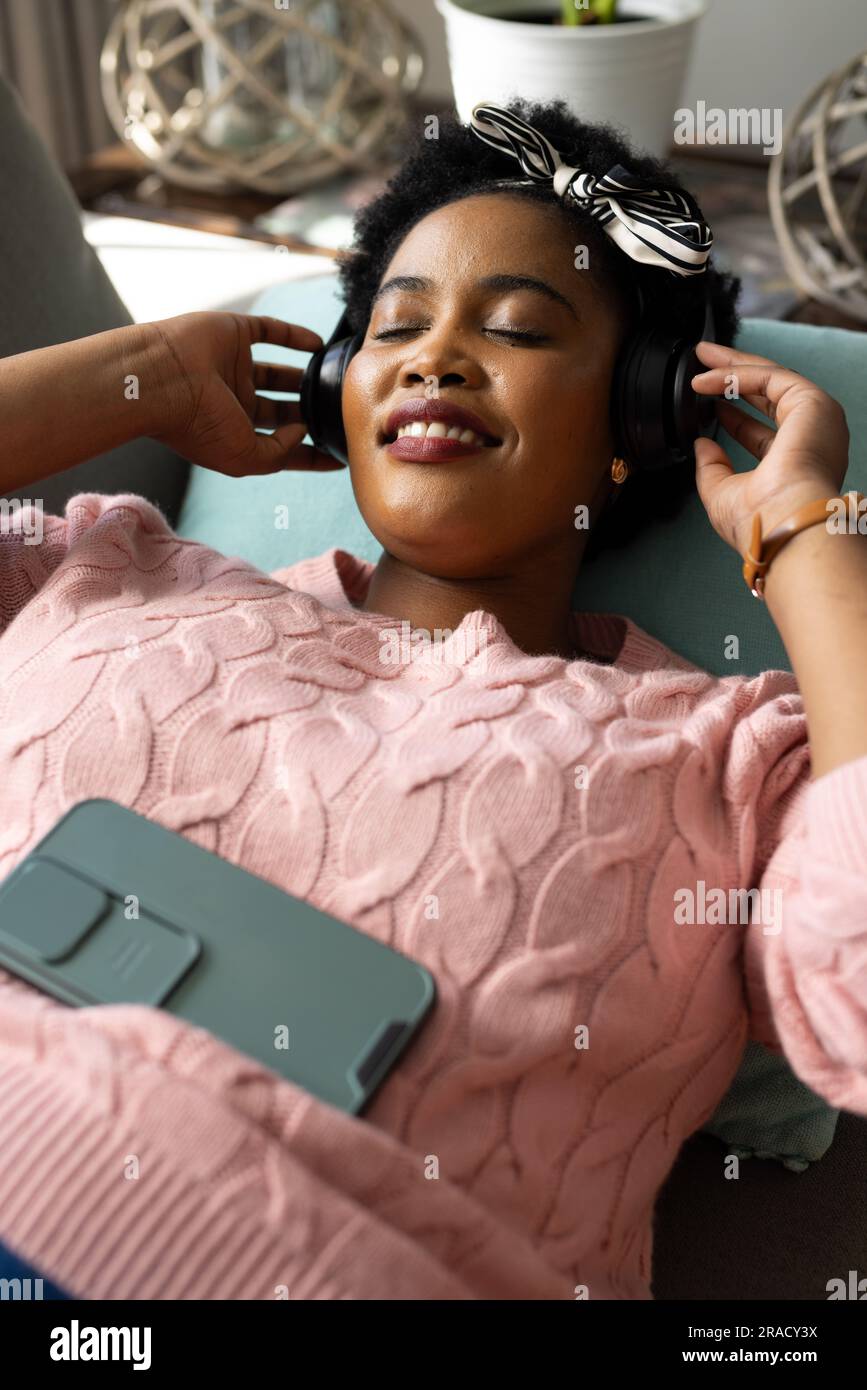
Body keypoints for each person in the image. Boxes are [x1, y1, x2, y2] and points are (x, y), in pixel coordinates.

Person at [0, 98, 865, 1302]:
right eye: (393, 328)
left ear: (647, 412)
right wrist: (136, 375)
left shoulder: (723, 761)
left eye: (514, 326)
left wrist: (808, 529)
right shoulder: (111, 570)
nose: (435, 354)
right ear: (337, 383)